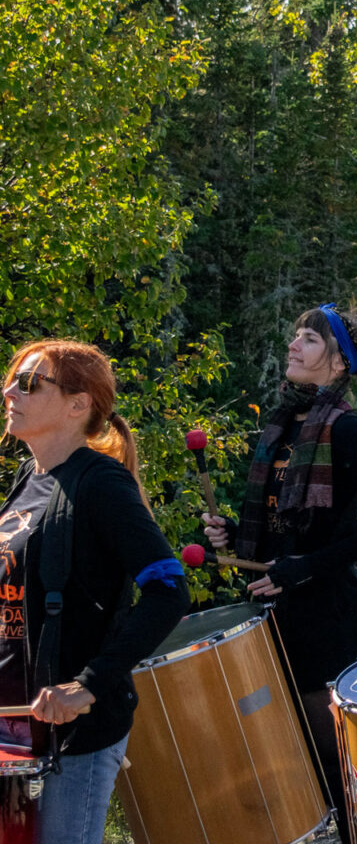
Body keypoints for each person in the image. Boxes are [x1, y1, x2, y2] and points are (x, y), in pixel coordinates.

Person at [202, 305, 357, 843]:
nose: (294, 345)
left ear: (339, 362)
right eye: (295, 335)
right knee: (288, 765)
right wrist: (230, 532)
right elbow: (279, 526)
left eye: (310, 340)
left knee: (340, 769)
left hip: (328, 616)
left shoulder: (348, 430)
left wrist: (306, 568)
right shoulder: (280, 428)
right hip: (275, 613)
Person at [1, 340, 189, 843]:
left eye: (27, 383)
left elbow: (169, 591)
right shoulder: (29, 479)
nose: (7, 392)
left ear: (78, 403)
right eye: (10, 381)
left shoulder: (101, 483)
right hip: (14, 726)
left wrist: (87, 683)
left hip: (75, 734)